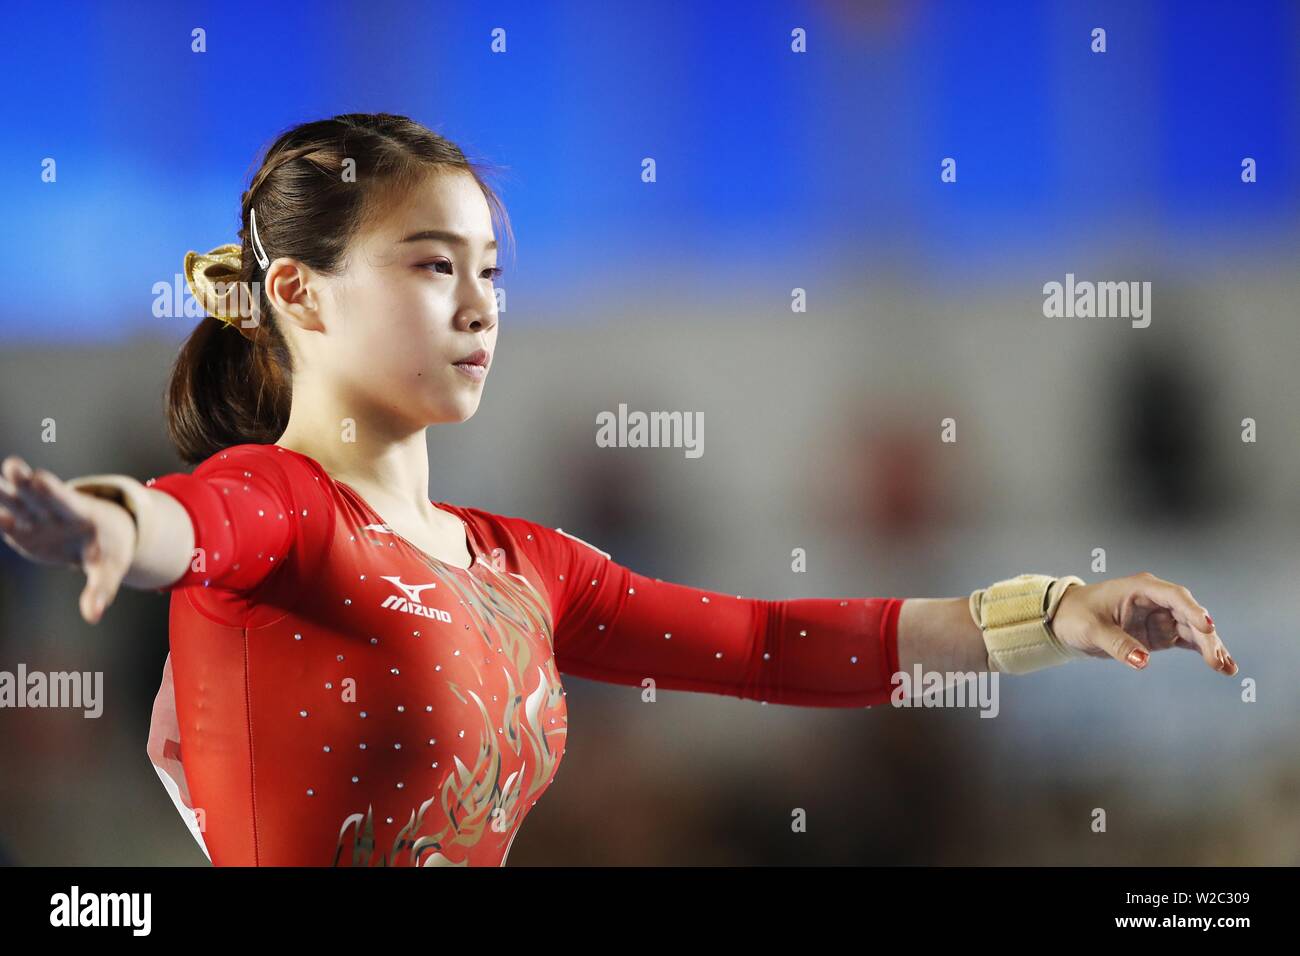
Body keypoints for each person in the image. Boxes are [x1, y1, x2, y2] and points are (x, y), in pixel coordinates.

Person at [0, 112, 1237, 867]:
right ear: (300, 294)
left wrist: (1051, 612)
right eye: (432, 267)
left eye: (491, 268)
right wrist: (112, 519)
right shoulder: (277, 505)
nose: (480, 303)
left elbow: (769, 639)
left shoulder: (520, 563)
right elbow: (195, 519)